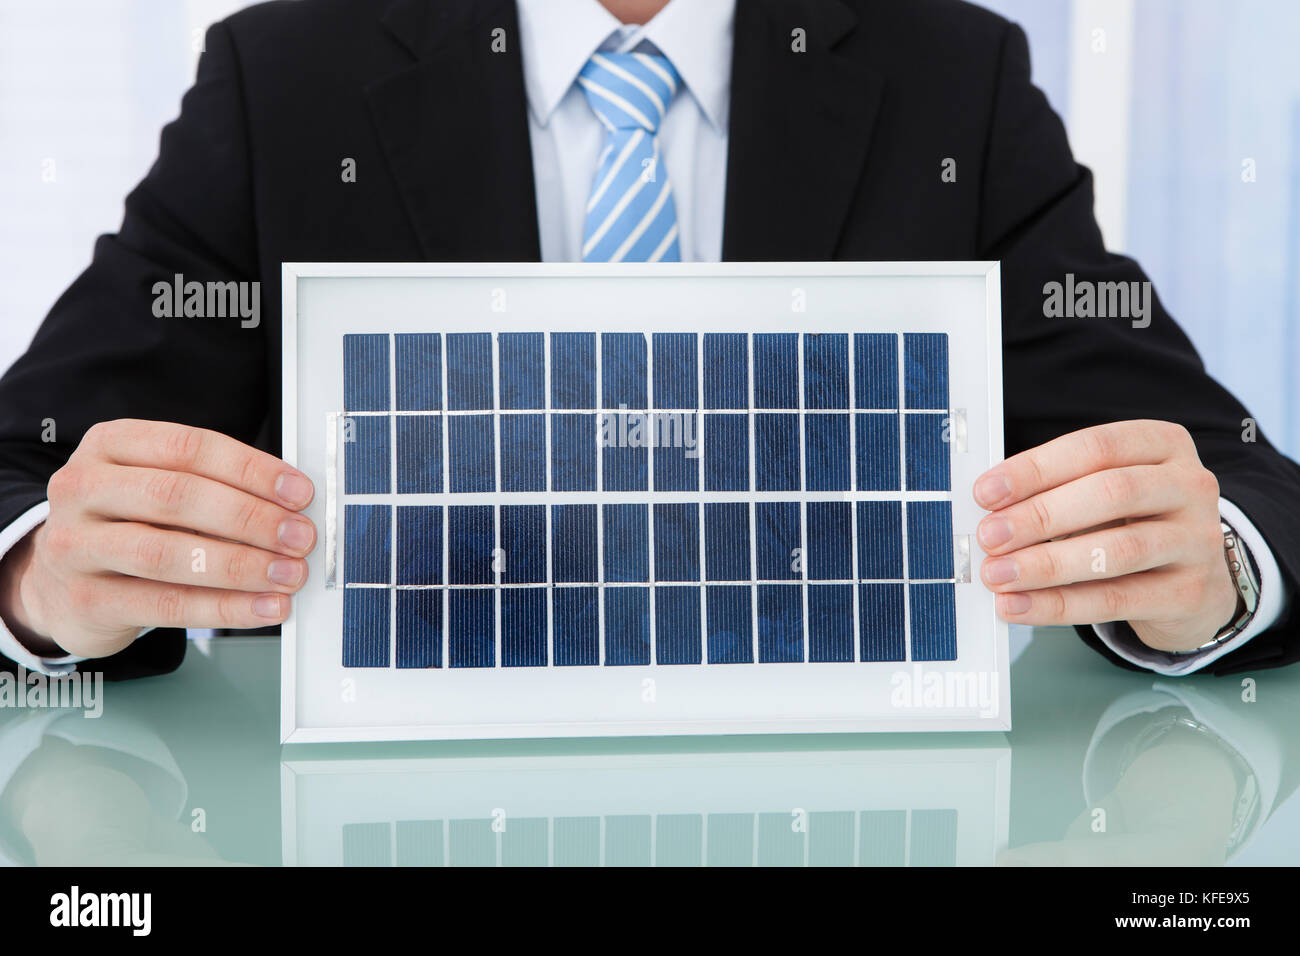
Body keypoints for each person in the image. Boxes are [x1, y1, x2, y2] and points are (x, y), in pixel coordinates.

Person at [0, 0, 1295, 681]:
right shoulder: (282, 77)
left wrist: (1207, 574)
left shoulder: (954, 72)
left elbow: (1235, 485)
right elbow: (25, 467)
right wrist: (47, 583)